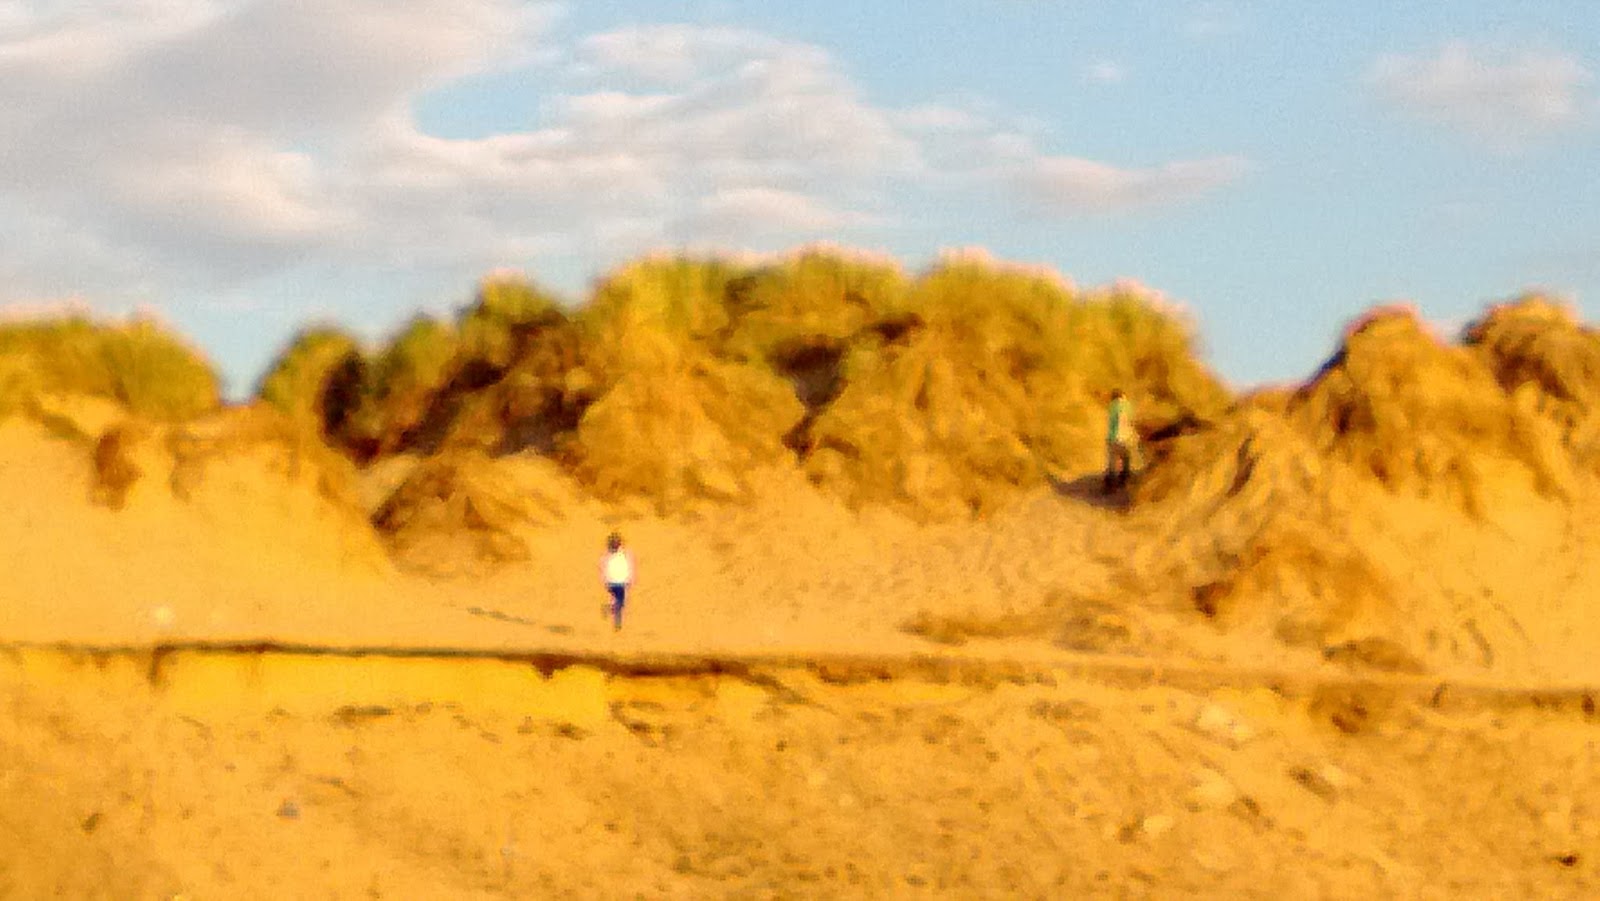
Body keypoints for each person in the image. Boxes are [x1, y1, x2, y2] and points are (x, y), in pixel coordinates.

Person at [1103, 389, 1137, 492]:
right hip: (1126, 438)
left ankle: (1110, 486)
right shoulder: (1128, 406)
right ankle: (1124, 482)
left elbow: (1112, 423)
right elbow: (1131, 421)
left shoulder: (1112, 406)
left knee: (1112, 462)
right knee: (1126, 460)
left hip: (1114, 438)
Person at [601, 531, 633, 632]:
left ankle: (617, 625)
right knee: (619, 603)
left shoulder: (613, 555)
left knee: (619, 603)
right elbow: (622, 567)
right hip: (617, 582)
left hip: (615, 581)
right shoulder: (617, 555)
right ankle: (611, 613)